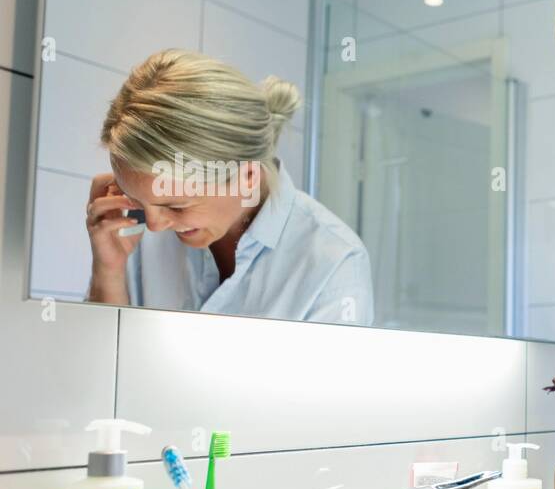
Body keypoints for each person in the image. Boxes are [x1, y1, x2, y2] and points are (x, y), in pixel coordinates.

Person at [87, 49, 373, 324]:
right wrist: (109, 270)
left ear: (248, 178)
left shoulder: (334, 263)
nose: (154, 226)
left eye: (176, 205)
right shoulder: (130, 233)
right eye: (135, 199)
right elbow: (102, 364)